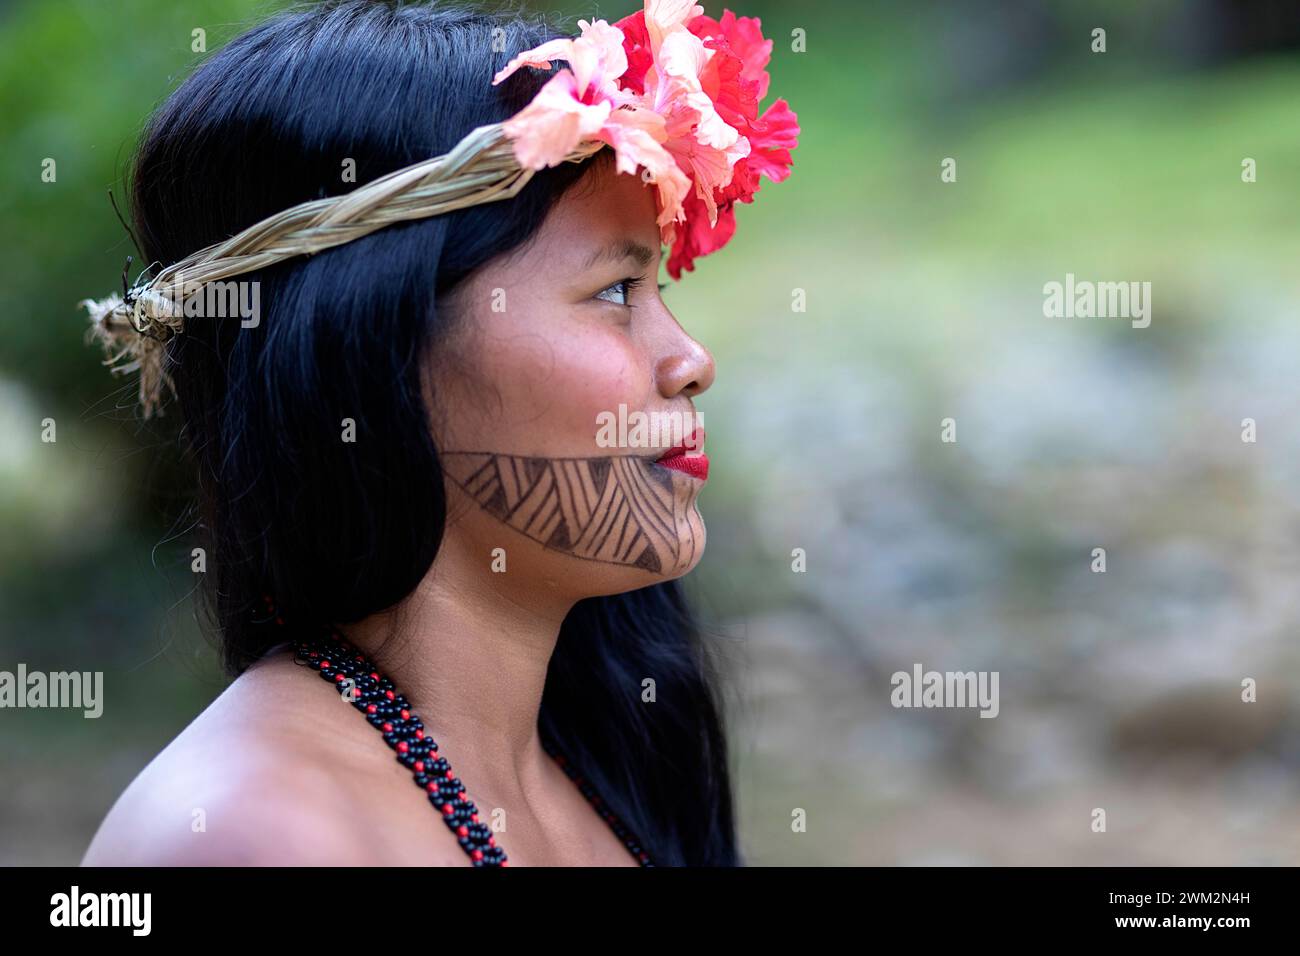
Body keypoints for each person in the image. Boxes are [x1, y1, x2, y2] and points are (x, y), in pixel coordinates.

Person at [81, 0, 797, 866]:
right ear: (371, 345)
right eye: (614, 291)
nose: (691, 361)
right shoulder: (259, 834)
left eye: (660, 292)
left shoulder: (608, 762)